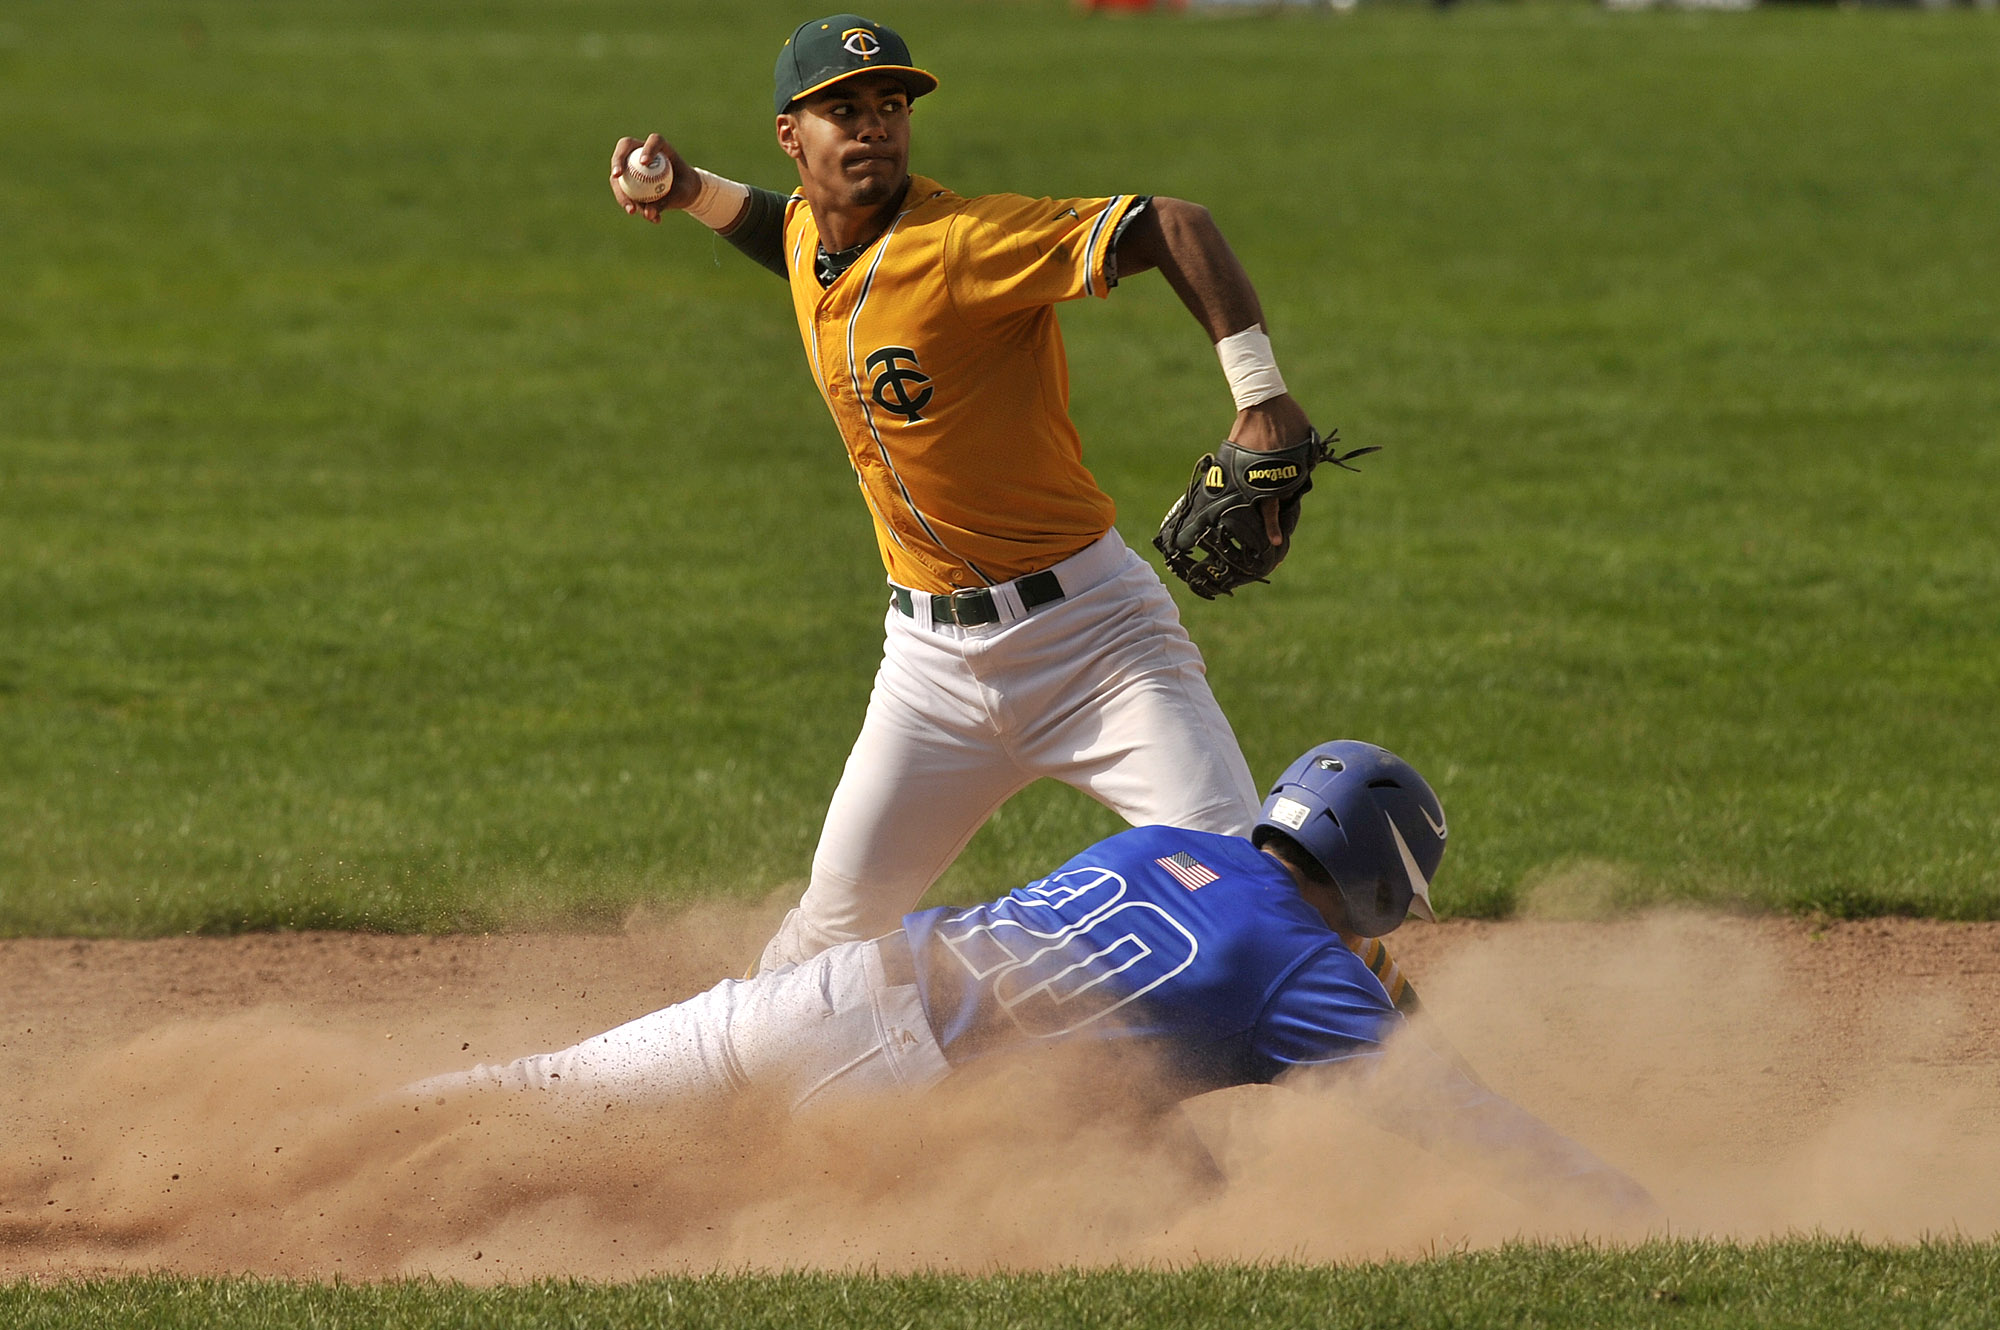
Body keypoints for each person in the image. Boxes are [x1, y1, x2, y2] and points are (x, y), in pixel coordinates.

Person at [609, 15, 1362, 976]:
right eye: (844, 111)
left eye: (890, 106)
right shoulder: (813, 239)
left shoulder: (962, 242)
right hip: (929, 670)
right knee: (822, 948)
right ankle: (727, 1106)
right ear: (793, 138)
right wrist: (683, 191)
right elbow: (784, 230)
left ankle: (1398, 1085)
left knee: (1248, 899)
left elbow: (1175, 224)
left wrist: (1260, 396)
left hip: (1096, 646)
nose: (874, 127)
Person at [411, 742, 1657, 1220]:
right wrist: (1620, 1208)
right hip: (904, 1084)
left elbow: (1132, 1047)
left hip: (832, 990)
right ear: (1382, 885)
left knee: (543, 1095)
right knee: (1163, 1214)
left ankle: (303, 1153)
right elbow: (1459, 1118)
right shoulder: (1301, 971)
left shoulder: (1154, 845)